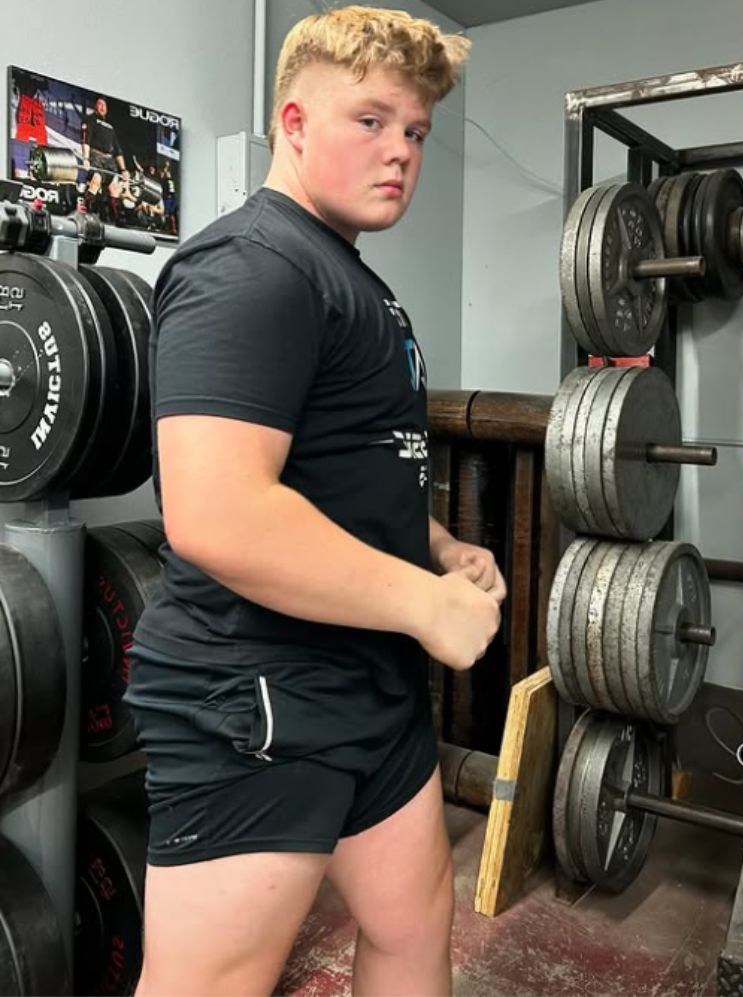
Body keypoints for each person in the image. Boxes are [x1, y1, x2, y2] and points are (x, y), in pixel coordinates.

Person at [122, 8, 500, 994]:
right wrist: (426, 607)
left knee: (415, 925)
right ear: (291, 123)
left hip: (362, 678)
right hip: (257, 690)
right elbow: (218, 513)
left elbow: (345, 472)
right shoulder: (250, 269)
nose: (401, 153)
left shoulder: (349, 277)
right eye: (371, 121)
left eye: (415, 131)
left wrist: (438, 551)